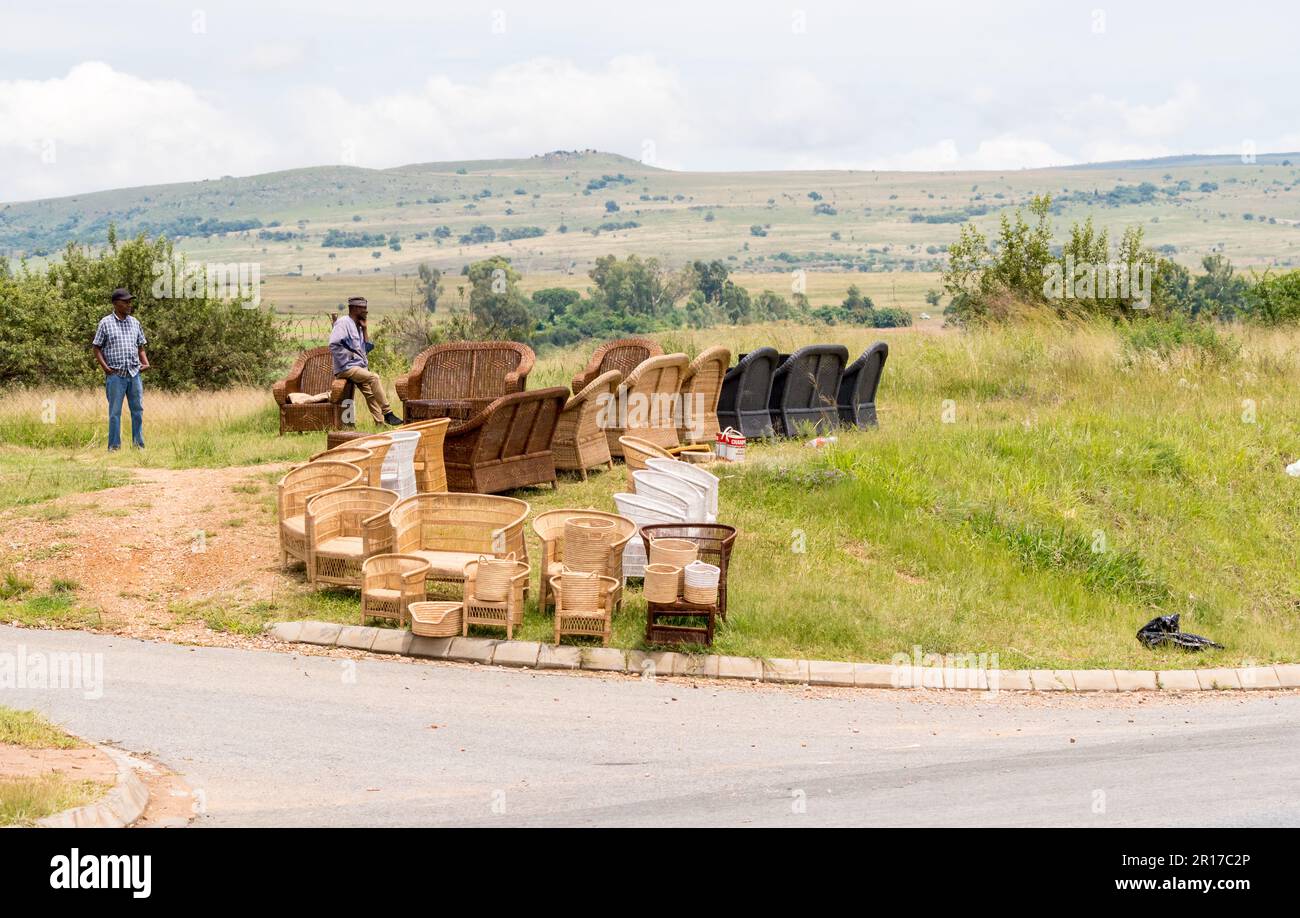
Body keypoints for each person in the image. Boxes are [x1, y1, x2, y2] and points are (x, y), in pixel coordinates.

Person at [329, 296, 402, 426]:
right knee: (374, 378)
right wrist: (348, 358)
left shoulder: (358, 325)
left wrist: (365, 329)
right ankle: (388, 413)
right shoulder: (343, 323)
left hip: (358, 367)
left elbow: (365, 349)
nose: (366, 311)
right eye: (363, 309)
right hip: (346, 368)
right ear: (355, 308)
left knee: (370, 394)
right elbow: (334, 343)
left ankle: (380, 423)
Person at [92, 288, 149, 450]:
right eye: (125, 302)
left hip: (134, 374)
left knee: (137, 410)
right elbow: (96, 347)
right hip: (116, 375)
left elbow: (140, 346)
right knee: (115, 413)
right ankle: (114, 447)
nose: (129, 305)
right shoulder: (105, 323)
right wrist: (106, 368)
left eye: (130, 302)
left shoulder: (135, 322)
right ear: (116, 304)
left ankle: (139, 445)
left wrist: (146, 363)